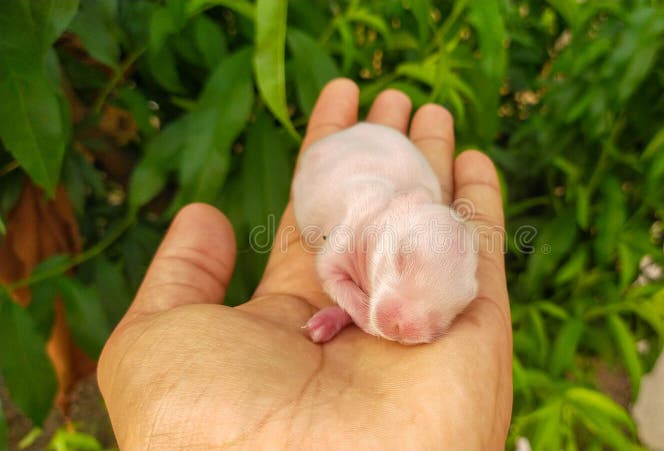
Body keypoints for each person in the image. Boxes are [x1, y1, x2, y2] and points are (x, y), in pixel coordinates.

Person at [97, 79, 512, 449]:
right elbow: (332, 270)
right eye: (402, 261)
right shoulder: (360, 218)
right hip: (355, 169)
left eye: (440, 320)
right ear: (397, 210)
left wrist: (364, 312)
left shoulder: (415, 231)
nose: (406, 323)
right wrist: (361, 315)